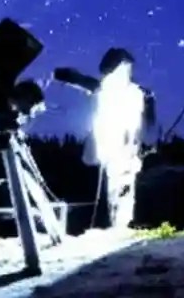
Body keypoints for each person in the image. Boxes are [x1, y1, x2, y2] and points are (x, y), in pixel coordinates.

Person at [54, 48, 159, 229]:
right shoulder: (105, 88)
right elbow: (82, 80)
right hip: (111, 148)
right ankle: (114, 224)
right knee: (113, 190)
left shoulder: (137, 93)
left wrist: (148, 141)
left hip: (129, 150)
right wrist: (66, 75)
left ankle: (124, 223)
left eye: (128, 68)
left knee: (127, 190)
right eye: (122, 67)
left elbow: (148, 122)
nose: (126, 72)